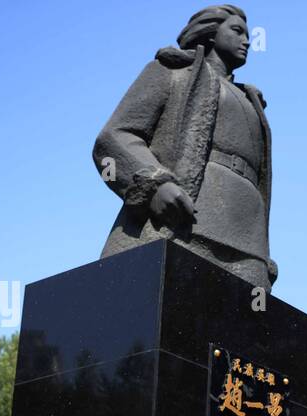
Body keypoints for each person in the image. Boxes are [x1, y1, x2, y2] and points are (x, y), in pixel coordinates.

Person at [92, 5, 278, 292]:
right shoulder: (173, 71)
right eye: (237, 31)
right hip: (189, 219)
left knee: (250, 328)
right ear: (212, 34)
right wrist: (154, 185)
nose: (247, 41)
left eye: (248, 35)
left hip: (248, 238)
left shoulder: (251, 100)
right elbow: (115, 136)